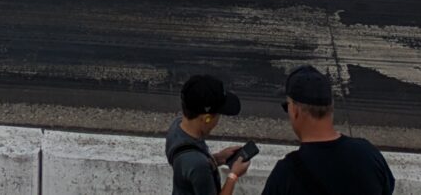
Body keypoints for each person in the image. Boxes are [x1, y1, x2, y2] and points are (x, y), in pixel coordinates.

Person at [260, 66, 393, 195]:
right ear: (331, 106)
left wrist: (237, 175)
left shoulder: (286, 175)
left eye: (287, 106)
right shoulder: (368, 154)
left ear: (295, 111)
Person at [164, 74, 252, 195]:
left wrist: (218, 158)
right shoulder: (198, 164)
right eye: (218, 115)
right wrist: (234, 175)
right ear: (207, 119)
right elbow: (196, 166)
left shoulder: (176, 127)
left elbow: (188, 168)